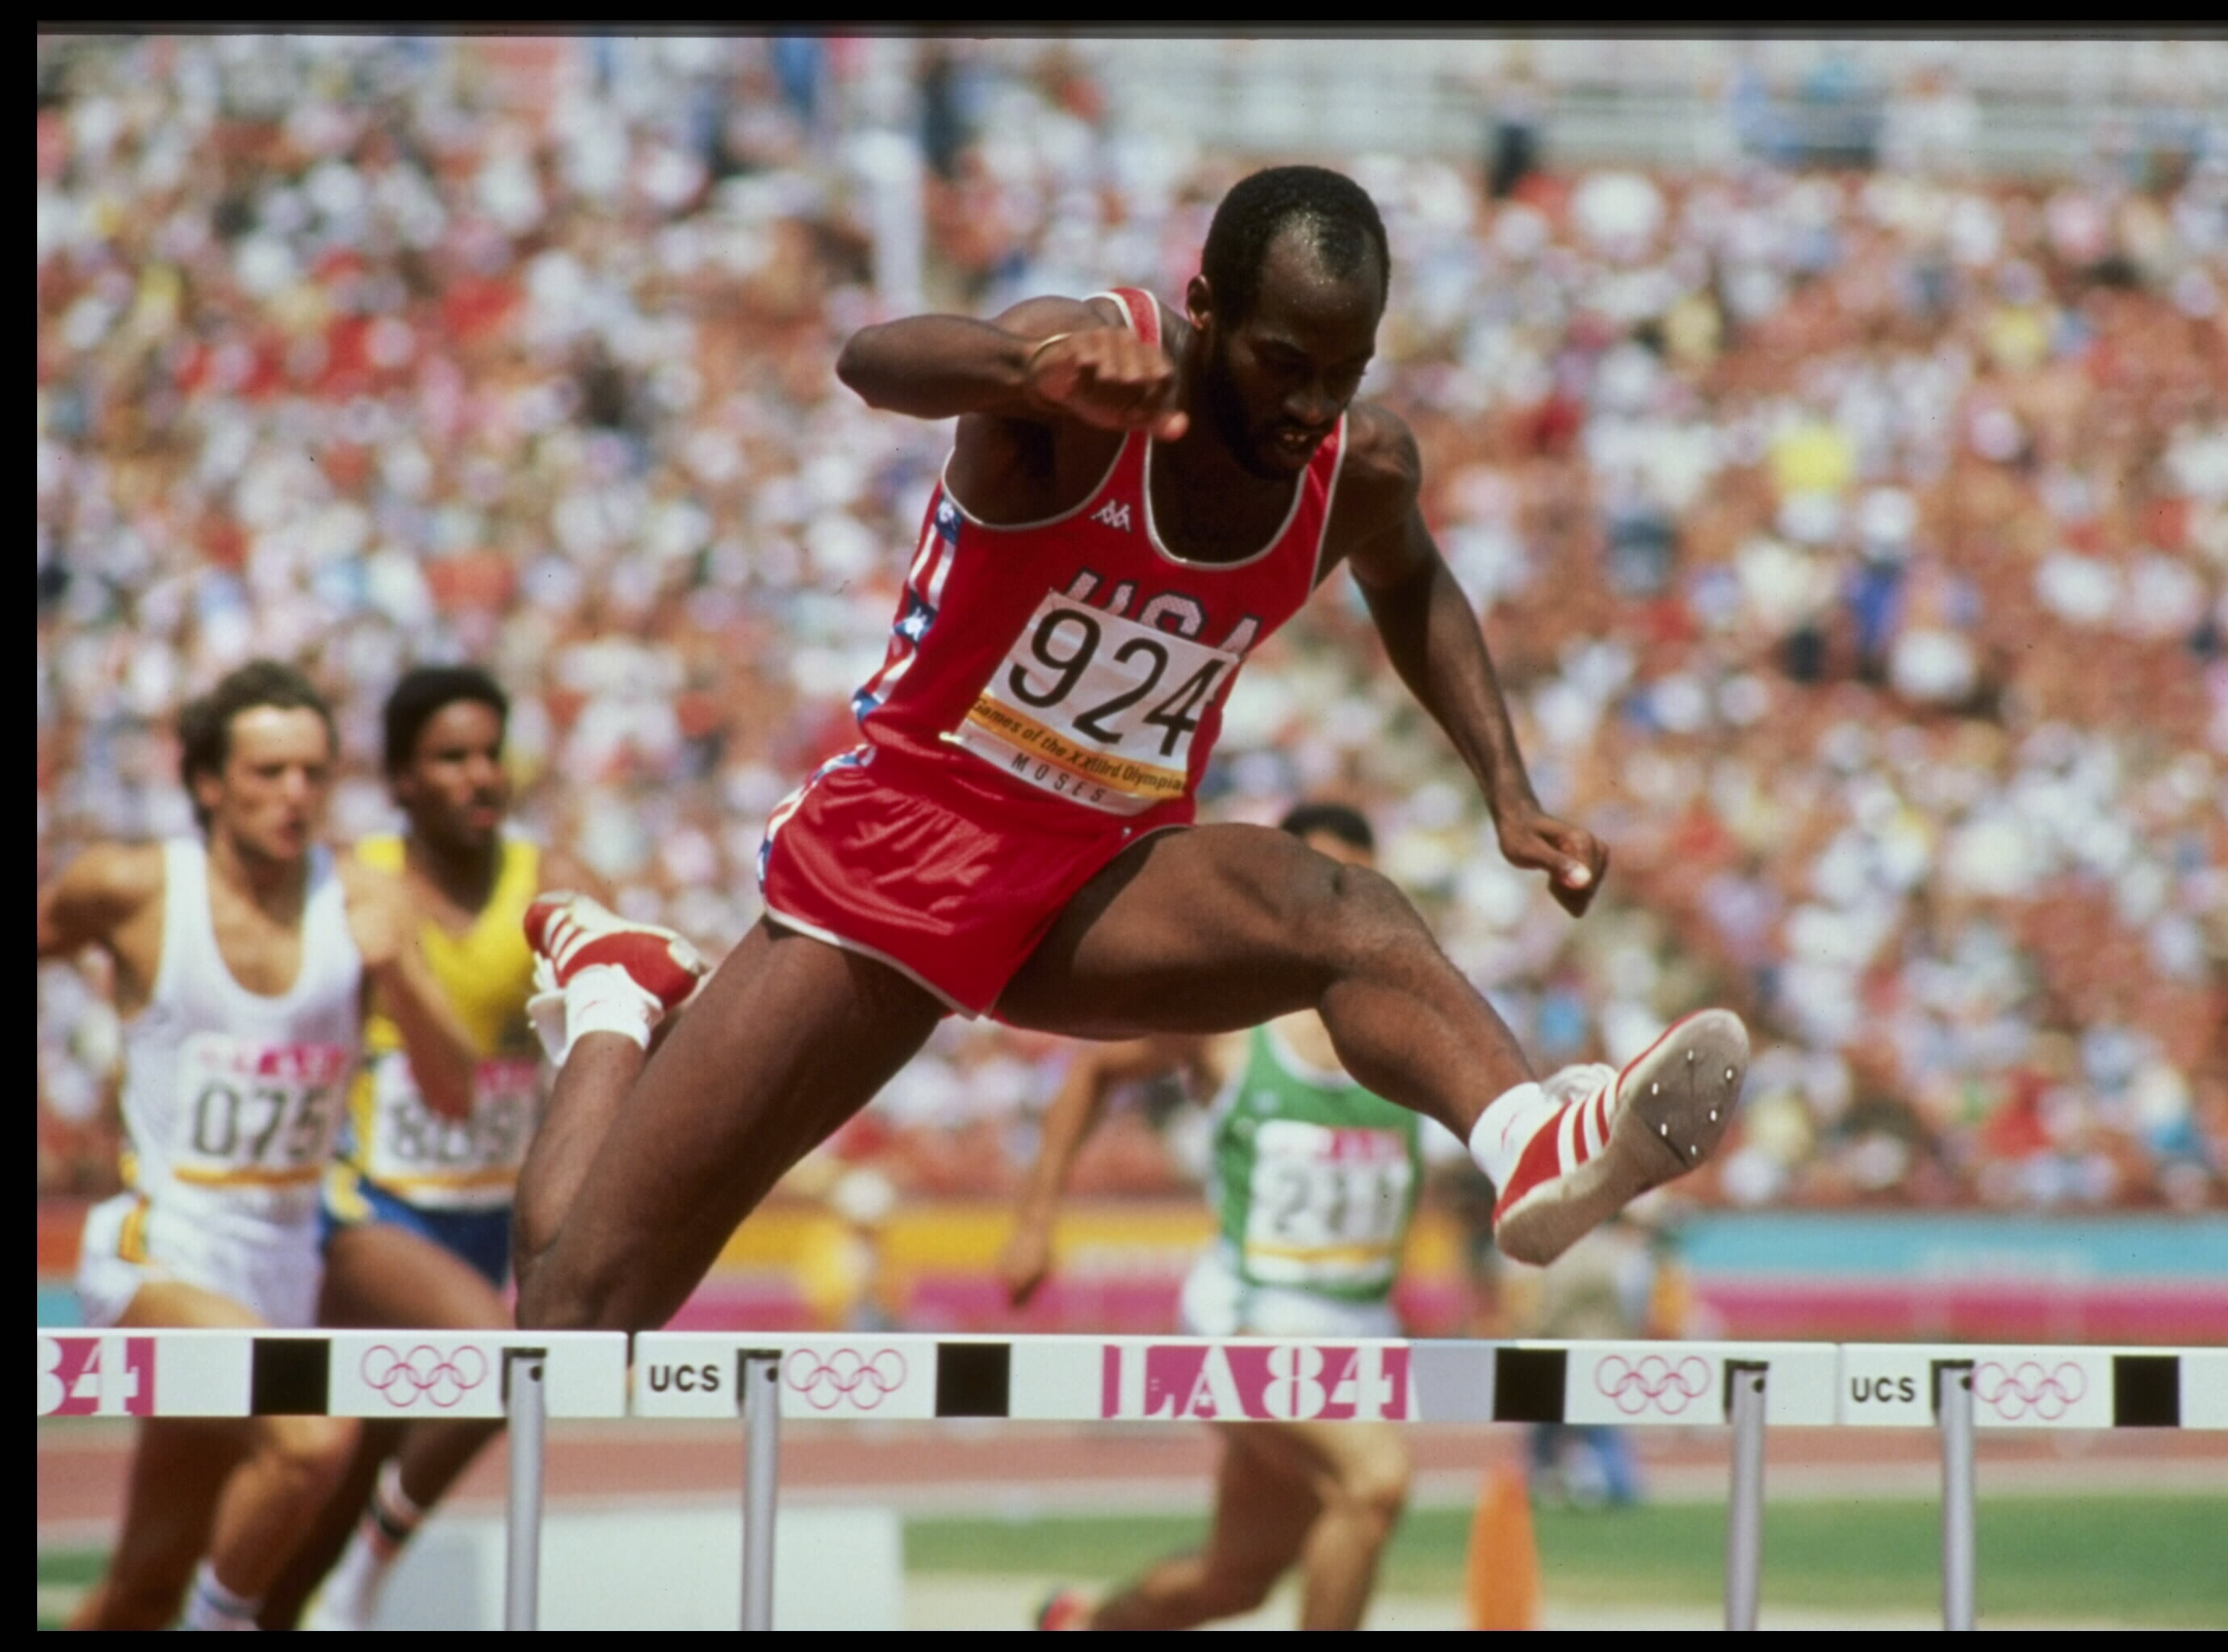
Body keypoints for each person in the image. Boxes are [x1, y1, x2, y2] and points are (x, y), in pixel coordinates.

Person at [510, 164, 1750, 1347]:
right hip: (910, 852)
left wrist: (1507, 791)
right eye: (1284, 364)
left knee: (1346, 912)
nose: (1313, 404)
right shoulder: (1090, 389)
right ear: (1205, 312)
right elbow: (871, 361)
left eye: (1346, 369)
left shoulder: (1353, 469)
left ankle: (1530, 1132)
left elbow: (1413, 579)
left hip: (1099, 872)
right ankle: (617, 999)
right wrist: (1028, 367)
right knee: (579, 1313)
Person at [36, 659, 474, 1631]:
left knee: (144, 1583)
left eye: (313, 774)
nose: (296, 796)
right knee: (316, 1440)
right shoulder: (136, 888)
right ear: (207, 782)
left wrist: (395, 970)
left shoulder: (364, 901)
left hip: (280, 1270)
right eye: (269, 773)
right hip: (163, 1251)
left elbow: (454, 1095)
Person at [999, 801, 1451, 1630]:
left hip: (1360, 1332)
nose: (1330, 906)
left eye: (1350, 885)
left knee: (1232, 1581)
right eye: (1314, 880)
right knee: (1374, 1481)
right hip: (1247, 1317)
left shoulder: (1409, 1033)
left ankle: (1084, 1620)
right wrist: (1037, 1220)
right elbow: (1094, 1076)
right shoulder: (1235, 1022)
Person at [259, 667, 608, 1631]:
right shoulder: (349, 878)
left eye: (491, 752)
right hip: (367, 1210)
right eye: (450, 757)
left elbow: (630, 1011)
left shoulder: (553, 883)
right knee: (499, 1359)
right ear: (402, 778)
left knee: (334, 1496)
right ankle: (366, 1588)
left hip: (488, 1214)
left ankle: (298, 1601)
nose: (478, 775)